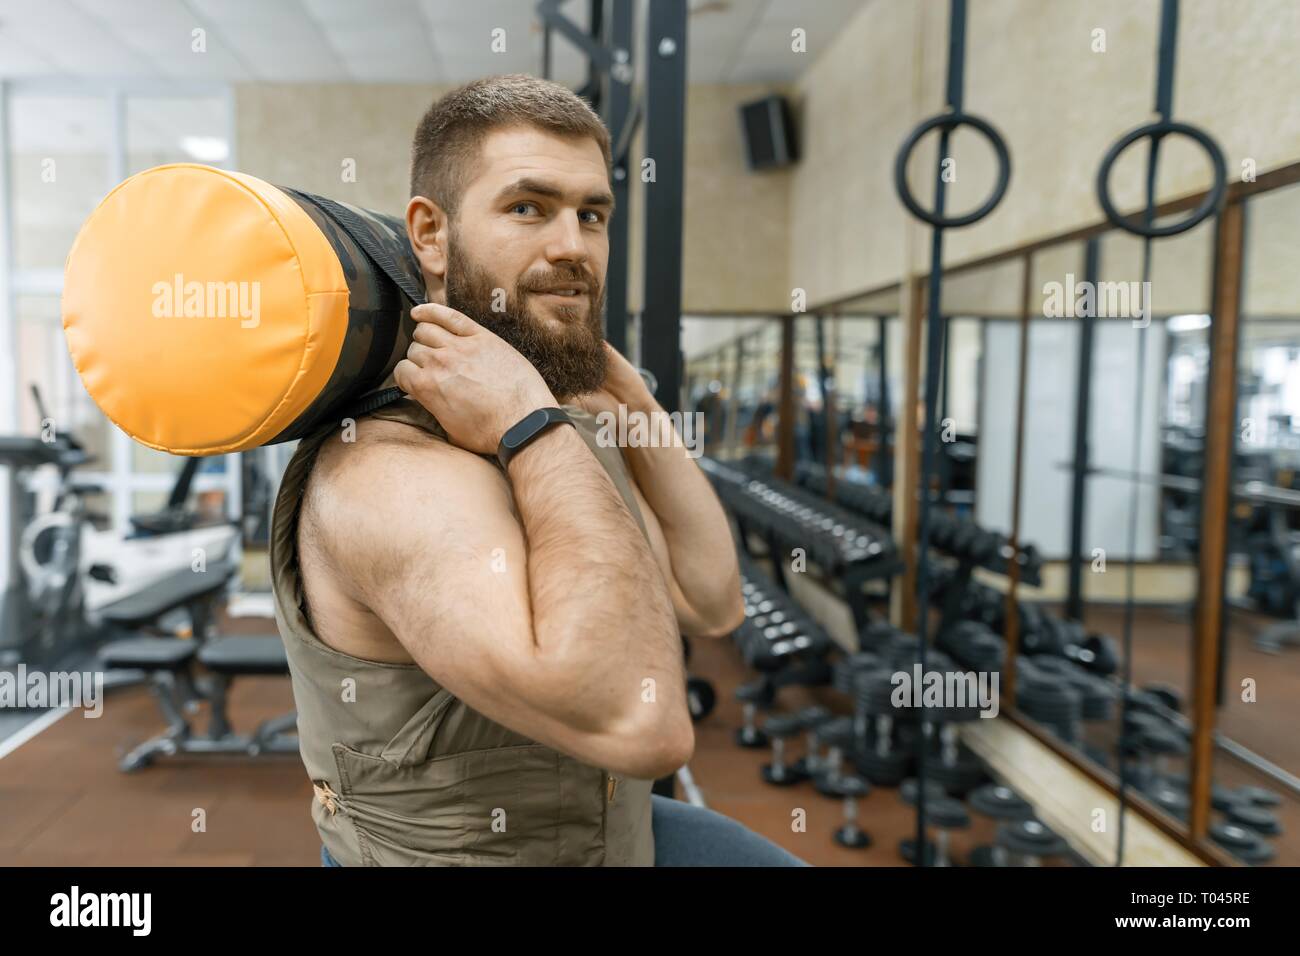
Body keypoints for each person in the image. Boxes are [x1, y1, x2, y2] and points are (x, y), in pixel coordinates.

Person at [269, 73, 807, 867]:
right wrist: (531, 420)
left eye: (592, 215)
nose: (573, 247)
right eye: (529, 207)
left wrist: (624, 394)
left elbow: (710, 598)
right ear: (431, 234)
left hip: (608, 836)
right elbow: (643, 724)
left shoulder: (548, 435)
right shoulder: (390, 474)